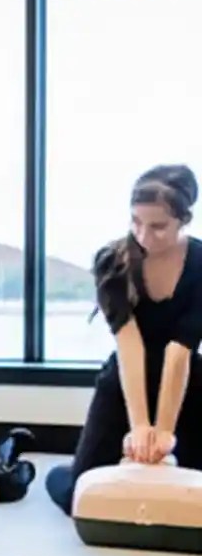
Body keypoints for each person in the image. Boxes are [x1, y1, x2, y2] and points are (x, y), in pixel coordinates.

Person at [46, 164, 202, 514]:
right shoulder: (112, 261)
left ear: (184, 219)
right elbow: (129, 346)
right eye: (136, 222)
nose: (144, 236)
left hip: (188, 382)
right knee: (79, 496)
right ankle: (66, 470)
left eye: (158, 226)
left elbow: (180, 353)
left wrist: (163, 433)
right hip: (124, 382)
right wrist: (140, 429)